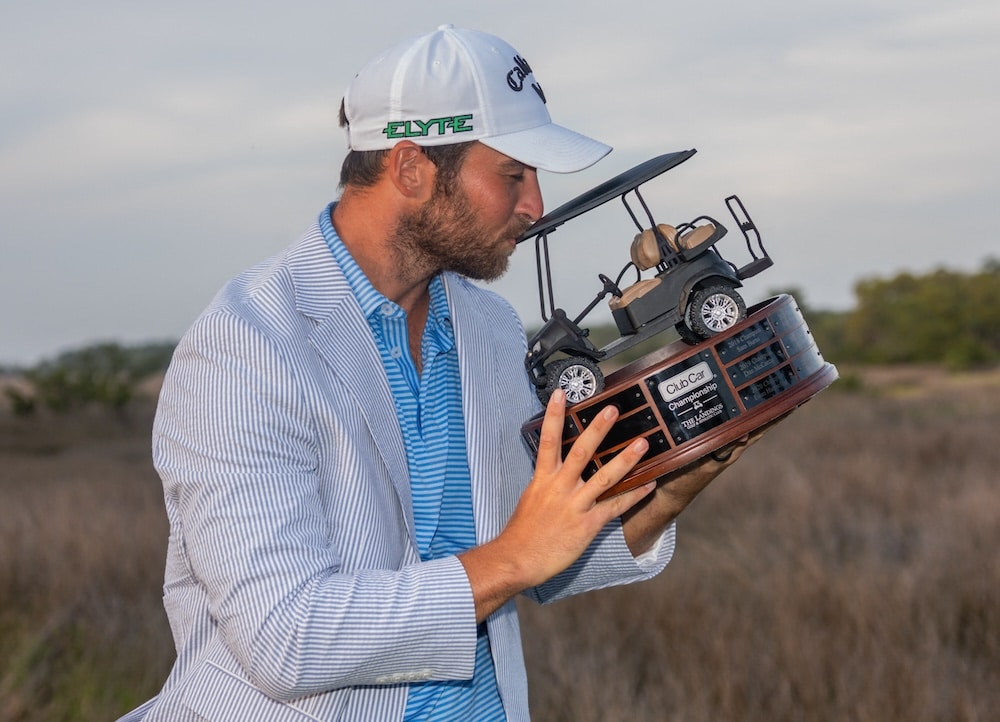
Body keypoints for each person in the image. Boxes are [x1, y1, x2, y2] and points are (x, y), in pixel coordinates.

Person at [118, 24, 762, 722]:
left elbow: (545, 551)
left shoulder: (485, 326)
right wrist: (514, 558)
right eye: (512, 175)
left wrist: (667, 491)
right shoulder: (245, 349)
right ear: (410, 169)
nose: (534, 207)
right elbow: (286, 638)